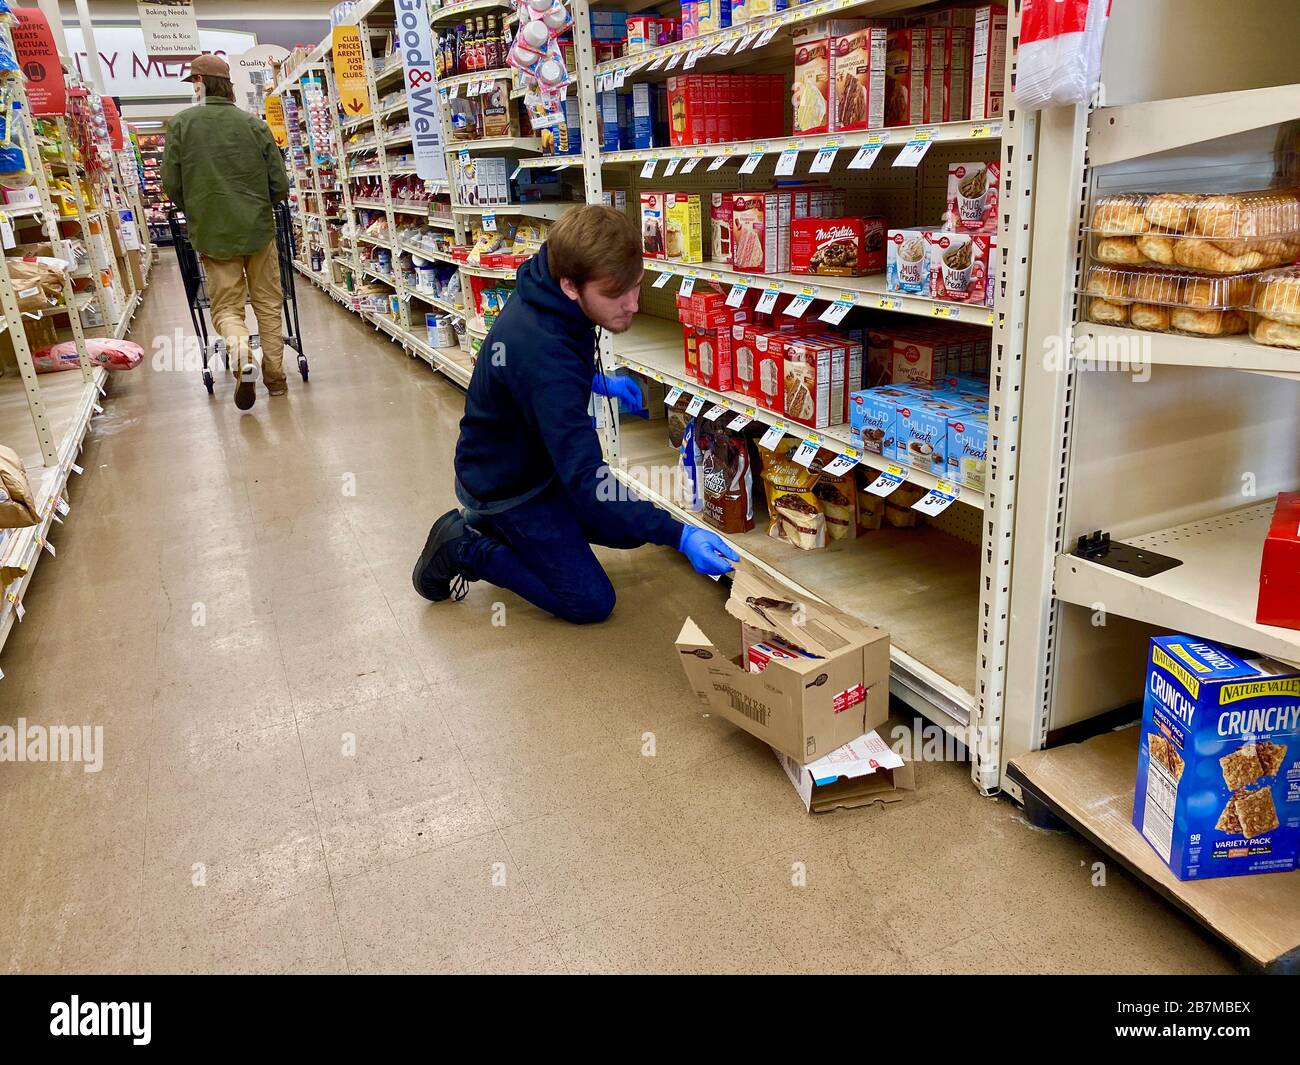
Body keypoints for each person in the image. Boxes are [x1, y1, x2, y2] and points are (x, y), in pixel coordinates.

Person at [413, 205, 739, 623]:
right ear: (571, 286)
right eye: (615, 294)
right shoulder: (541, 348)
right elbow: (587, 480)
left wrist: (596, 383)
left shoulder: (552, 284)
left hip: (535, 461)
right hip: (503, 487)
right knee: (590, 601)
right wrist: (680, 534)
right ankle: (465, 543)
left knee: (622, 530)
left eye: (636, 286)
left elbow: (539, 379)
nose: (633, 305)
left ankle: (516, 533)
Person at [162, 54, 291, 410]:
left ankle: (240, 351)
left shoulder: (182, 125)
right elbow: (279, 185)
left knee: (226, 309)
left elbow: (171, 184)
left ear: (200, 83)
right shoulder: (254, 125)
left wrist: (198, 208)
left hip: (213, 233)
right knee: (268, 302)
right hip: (258, 229)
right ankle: (276, 377)